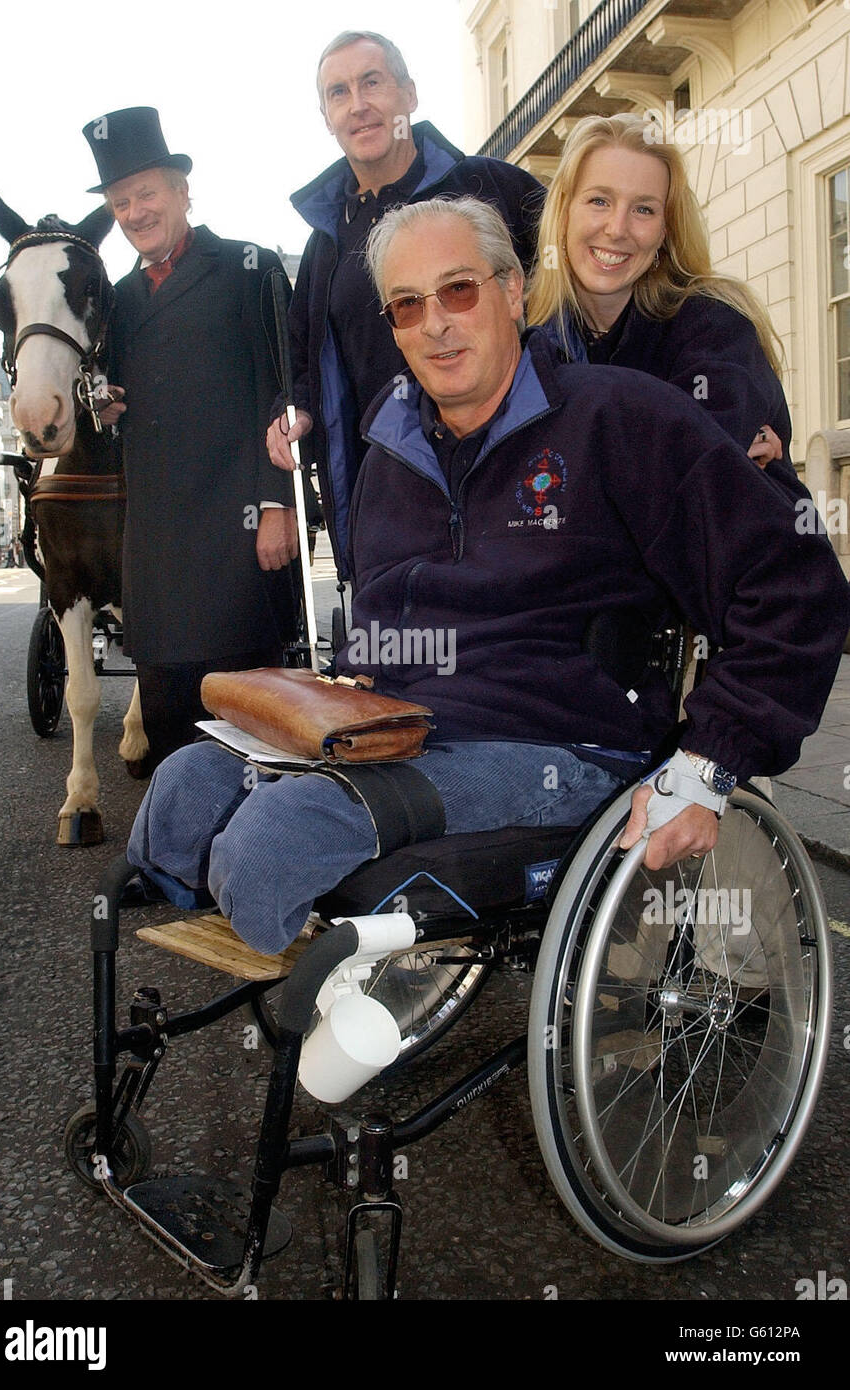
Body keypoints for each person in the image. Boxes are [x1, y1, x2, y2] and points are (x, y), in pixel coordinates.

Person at [126, 197, 849, 955]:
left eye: (458, 290)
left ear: (511, 292)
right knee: (183, 791)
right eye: (407, 305)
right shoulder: (389, 449)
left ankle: (309, 1019)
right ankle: (292, 969)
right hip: (392, 727)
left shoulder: (619, 419)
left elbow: (793, 590)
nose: (434, 322)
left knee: (276, 840)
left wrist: (709, 766)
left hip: (556, 743)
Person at [264, 29, 547, 567]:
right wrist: (293, 412)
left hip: (506, 486)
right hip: (386, 505)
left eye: (372, 82)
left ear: (409, 95)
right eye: (339, 93)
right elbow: (304, 367)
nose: (359, 105)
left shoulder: (494, 188)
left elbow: (587, 296)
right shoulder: (324, 244)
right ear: (327, 118)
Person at [81, 106, 298, 769]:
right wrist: (105, 408)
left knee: (251, 736)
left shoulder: (247, 268)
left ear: (181, 189)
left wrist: (277, 505)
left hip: (238, 545)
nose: (135, 211)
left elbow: (282, 392)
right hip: (155, 556)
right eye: (121, 201)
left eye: (146, 193)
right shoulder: (115, 301)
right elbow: (104, 396)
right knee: (173, 740)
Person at [527, 112, 799, 488]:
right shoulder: (524, 336)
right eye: (599, 201)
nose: (617, 229)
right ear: (564, 210)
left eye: (644, 209)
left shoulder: (716, 327)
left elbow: (686, 471)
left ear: (664, 231)